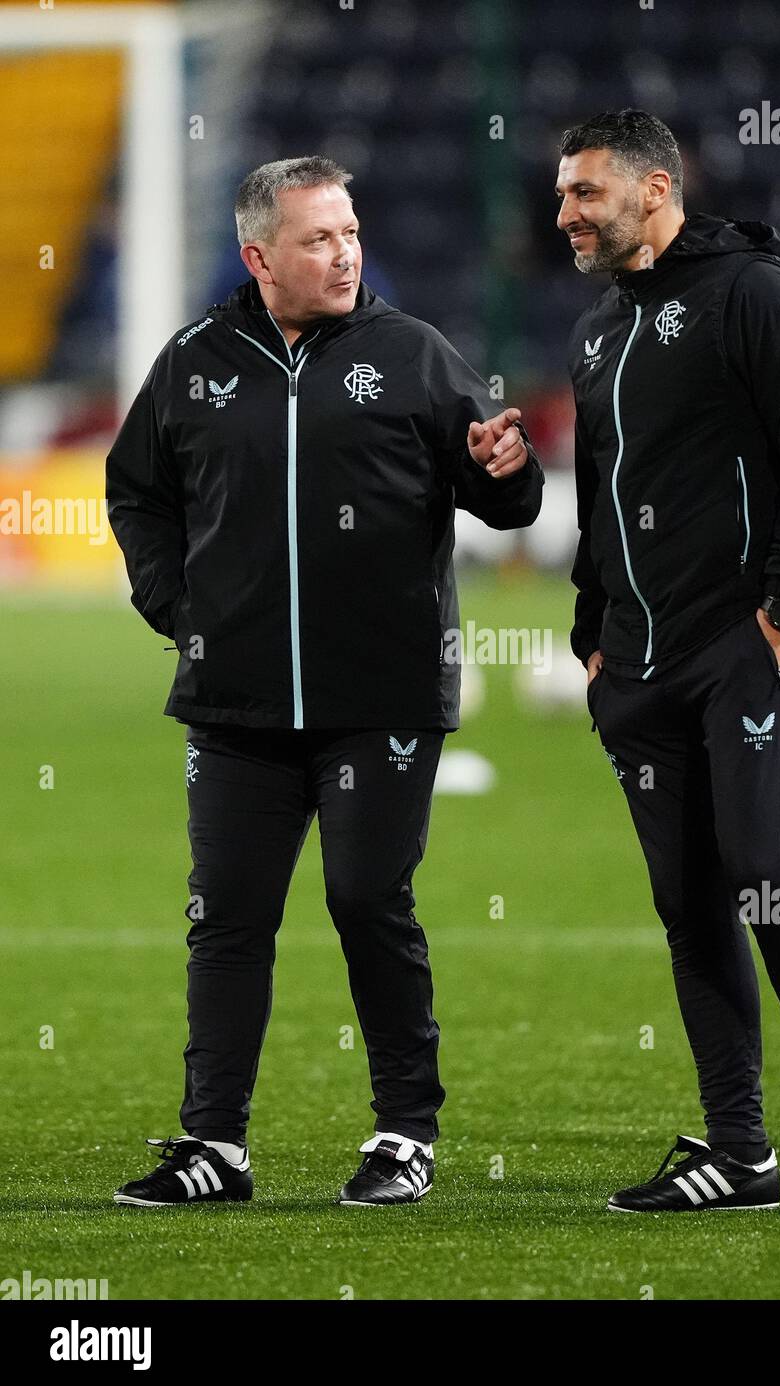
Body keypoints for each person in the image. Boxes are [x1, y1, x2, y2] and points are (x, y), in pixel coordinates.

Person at [106, 155, 543, 1208]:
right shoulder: (194, 362)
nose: (345, 252)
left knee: (366, 899)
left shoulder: (415, 357)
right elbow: (136, 493)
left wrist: (506, 471)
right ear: (259, 256)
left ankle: (404, 1133)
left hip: (380, 697)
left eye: (349, 231)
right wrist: (178, 609)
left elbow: (511, 503)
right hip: (235, 702)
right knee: (228, 917)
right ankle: (214, 1146)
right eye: (317, 237)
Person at [556, 109, 780, 1213]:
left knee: (765, 876)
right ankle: (738, 1152)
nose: (565, 215)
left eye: (584, 193)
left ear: (654, 191)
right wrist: (591, 635)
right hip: (640, 667)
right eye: (561, 196)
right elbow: (598, 500)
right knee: (691, 901)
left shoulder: (751, 293)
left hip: (751, 645)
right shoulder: (597, 333)